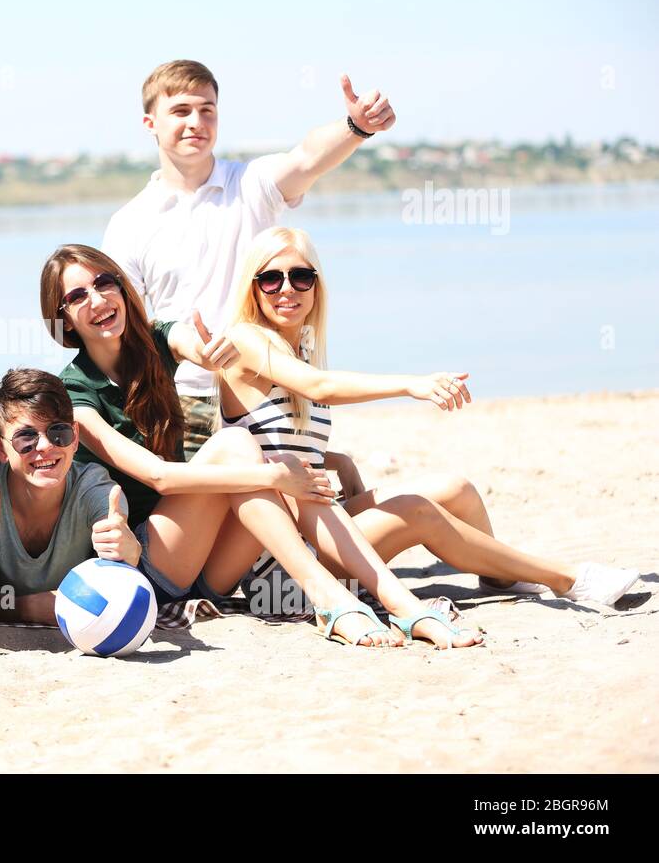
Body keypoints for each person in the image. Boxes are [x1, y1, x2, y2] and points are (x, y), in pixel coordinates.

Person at [41, 243, 483, 649]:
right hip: (143, 566)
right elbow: (159, 477)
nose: (97, 300)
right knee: (243, 447)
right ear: (61, 318)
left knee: (284, 463)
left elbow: (194, 343)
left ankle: (402, 604)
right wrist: (275, 475)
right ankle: (330, 599)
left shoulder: (156, 341)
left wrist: (213, 352)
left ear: (121, 285)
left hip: (207, 569)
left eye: (104, 282)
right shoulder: (75, 394)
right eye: (77, 297)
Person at [216, 226, 640, 608]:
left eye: (300, 276)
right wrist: (410, 385)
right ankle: (566, 578)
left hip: (315, 518)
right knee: (418, 511)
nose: (286, 289)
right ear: (253, 290)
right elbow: (319, 388)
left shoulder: (299, 350)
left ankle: (499, 576)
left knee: (457, 490)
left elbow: (281, 441)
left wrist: (336, 460)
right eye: (271, 279)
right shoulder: (245, 340)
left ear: (316, 286)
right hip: (278, 566)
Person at [102, 59, 395, 457]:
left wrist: (356, 127)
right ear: (150, 123)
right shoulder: (129, 223)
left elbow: (306, 158)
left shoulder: (251, 184)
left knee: (295, 495)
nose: (196, 122)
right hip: (186, 396)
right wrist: (185, 347)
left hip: (266, 385)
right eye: (181, 111)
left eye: (207, 110)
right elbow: (128, 326)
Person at [0, 368, 139, 625]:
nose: (45, 446)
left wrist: (128, 553)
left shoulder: (93, 487)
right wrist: (35, 607)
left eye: (58, 432)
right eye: (25, 437)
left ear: (74, 438)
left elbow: (118, 576)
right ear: (0, 448)